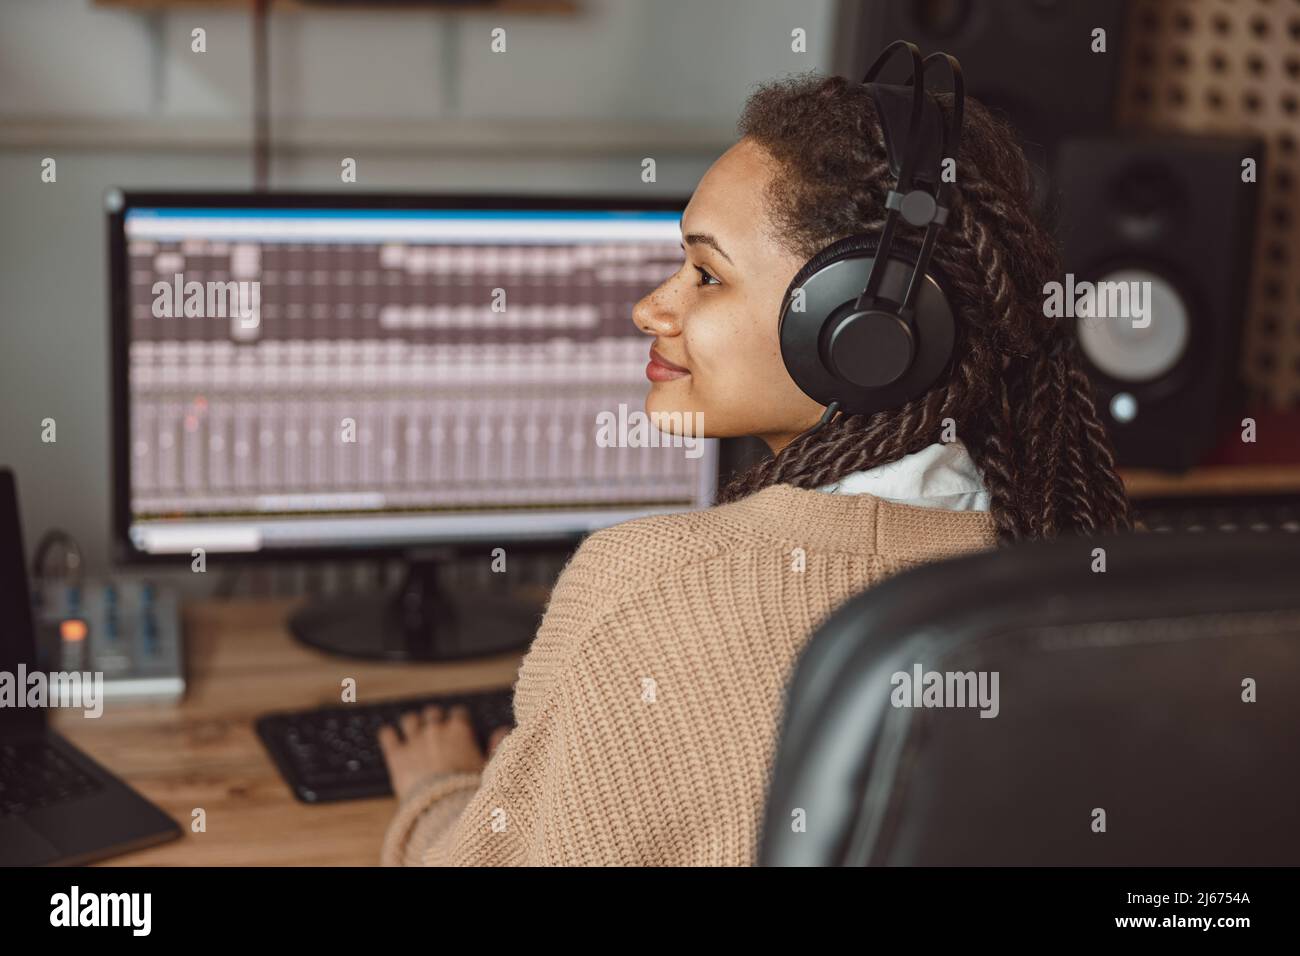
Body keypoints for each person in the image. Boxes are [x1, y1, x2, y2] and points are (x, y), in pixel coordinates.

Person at [376, 70, 1135, 866]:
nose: (652, 308)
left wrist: (444, 792)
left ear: (862, 329)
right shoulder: (1074, 551)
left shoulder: (644, 585)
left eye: (706, 275)